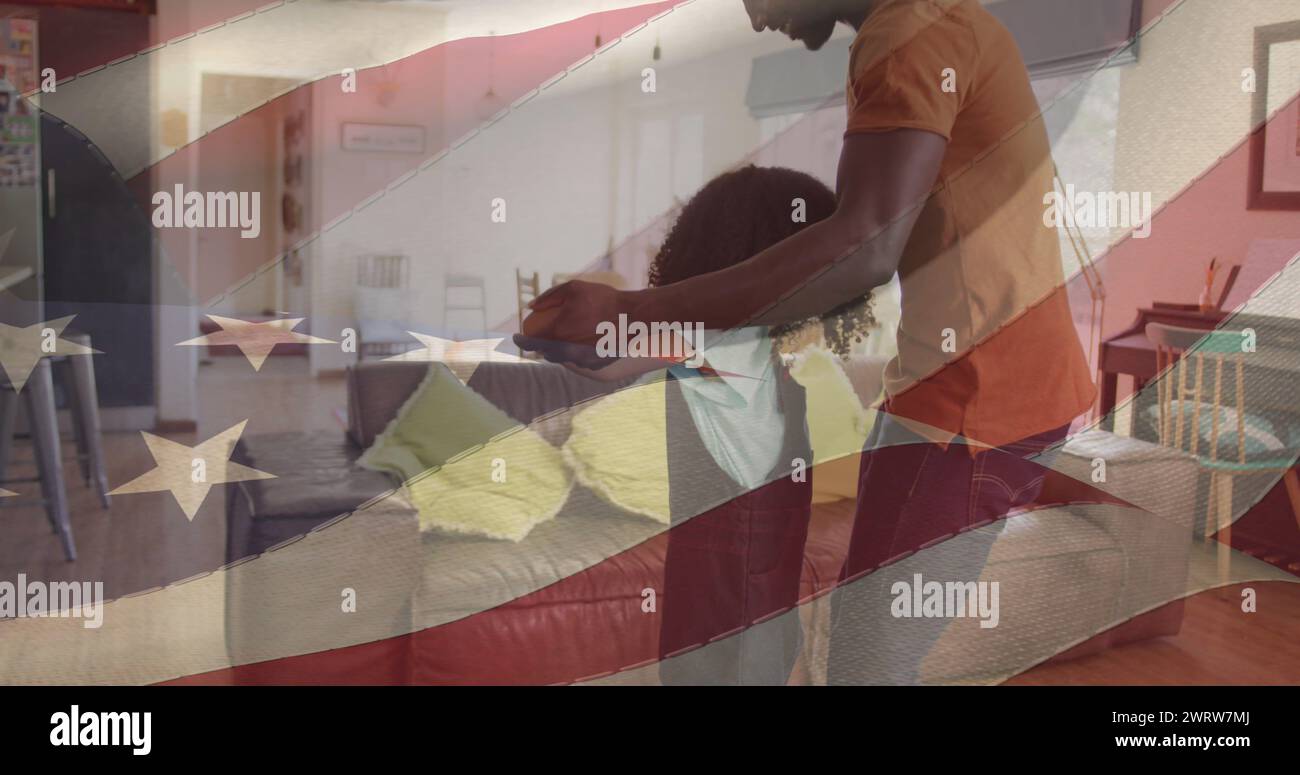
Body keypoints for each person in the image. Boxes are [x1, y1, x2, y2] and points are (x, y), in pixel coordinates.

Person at [517, 0, 1095, 684]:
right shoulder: (918, 29)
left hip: (977, 406)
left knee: (864, 666)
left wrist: (629, 311)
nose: (759, 20)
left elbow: (864, 245)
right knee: (858, 651)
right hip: (960, 394)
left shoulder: (912, 33)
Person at [575, 164, 871, 685]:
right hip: (751, 601)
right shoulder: (751, 352)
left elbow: (598, 356)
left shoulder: (719, 345)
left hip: (726, 605)